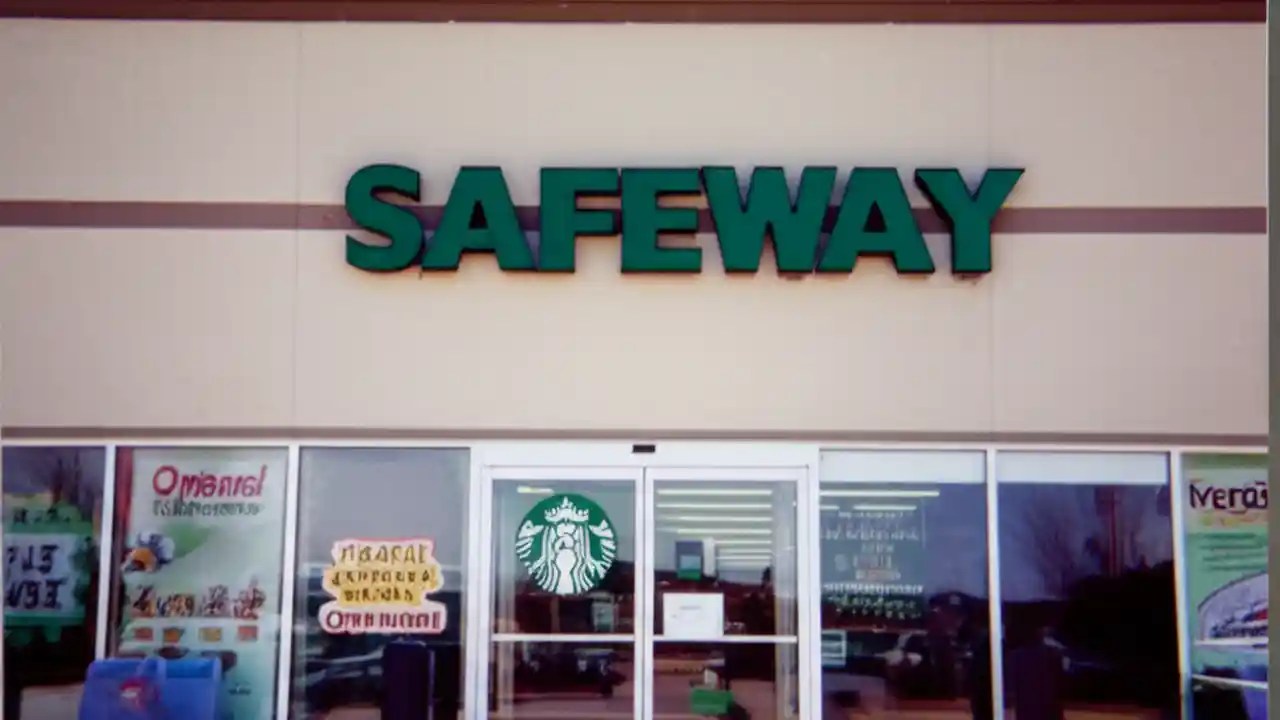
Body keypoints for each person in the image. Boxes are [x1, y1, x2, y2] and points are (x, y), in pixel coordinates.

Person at [1007, 625, 1066, 720]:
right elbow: (1059, 685)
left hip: (1030, 711)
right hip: (1043, 710)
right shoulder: (1052, 654)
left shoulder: (1016, 656)